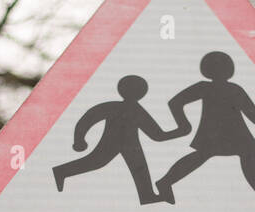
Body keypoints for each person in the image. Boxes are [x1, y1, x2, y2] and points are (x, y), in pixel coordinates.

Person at [154, 51, 255, 207]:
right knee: (211, 156)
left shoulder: (230, 89)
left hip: (233, 132)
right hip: (217, 132)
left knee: (244, 156)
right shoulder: (211, 88)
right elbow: (175, 102)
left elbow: (254, 115)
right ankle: (164, 182)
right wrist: (183, 124)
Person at [52, 75, 186, 205]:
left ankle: (147, 195)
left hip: (131, 145)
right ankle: (61, 171)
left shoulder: (128, 108)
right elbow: (89, 118)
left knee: (139, 168)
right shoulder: (123, 108)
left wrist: (180, 132)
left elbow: (156, 135)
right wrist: (79, 140)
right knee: (96, 162)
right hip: (113, 143)